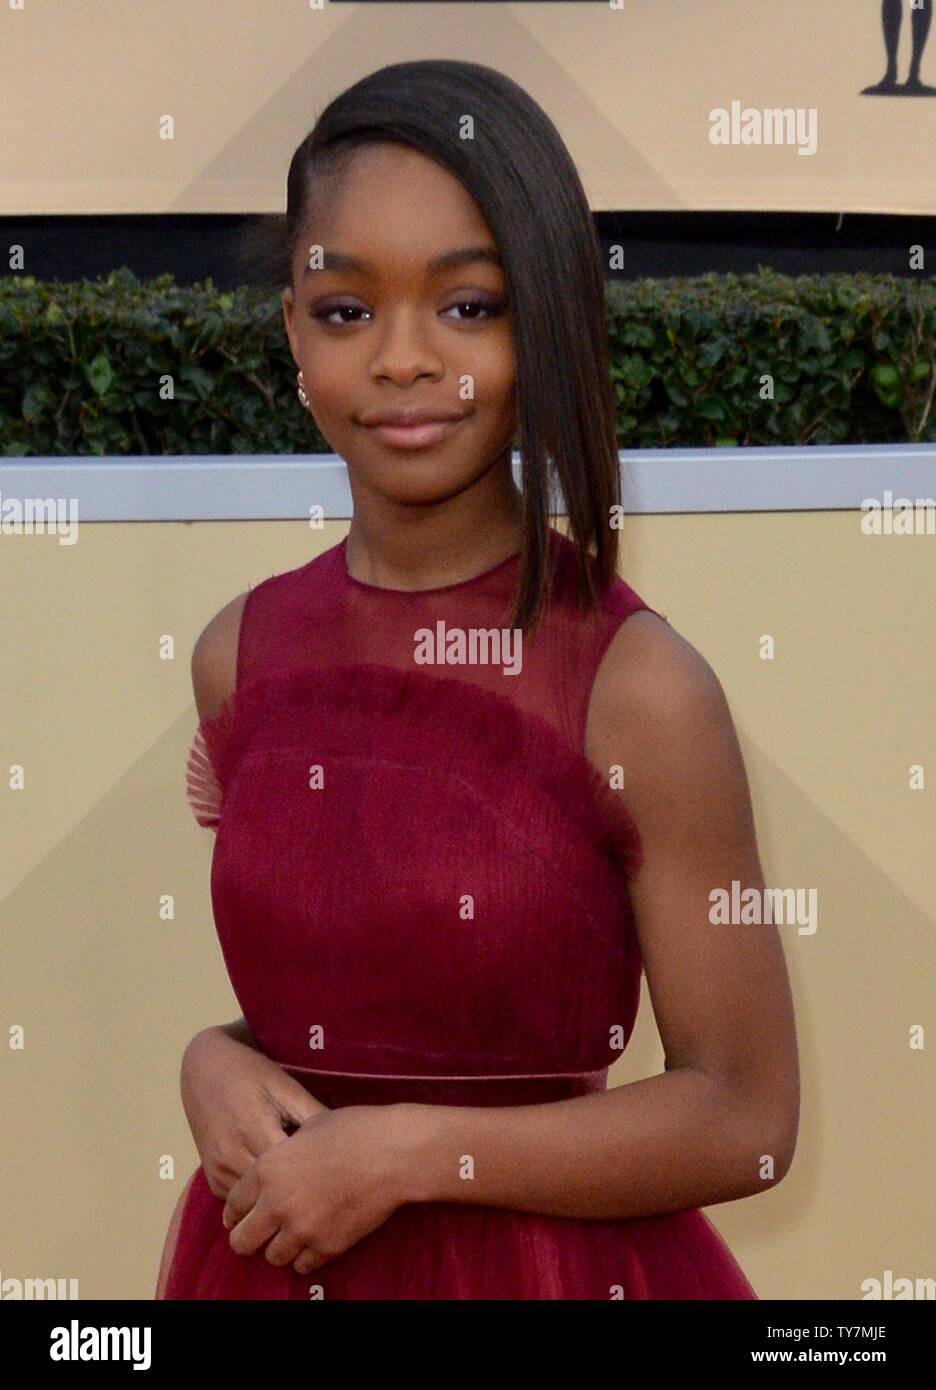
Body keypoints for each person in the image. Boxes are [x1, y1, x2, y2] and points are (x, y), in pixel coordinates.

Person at [156, 59, 799, 1300]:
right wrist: (214, 1056)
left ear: (545, 318)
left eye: (468, 305)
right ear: (292, 326)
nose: (402, 360)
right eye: (346, 309)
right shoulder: (238, 653)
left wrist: (411, 1153)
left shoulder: (638, 686)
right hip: (272, 1267)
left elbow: (745, 1115)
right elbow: (383, 989)